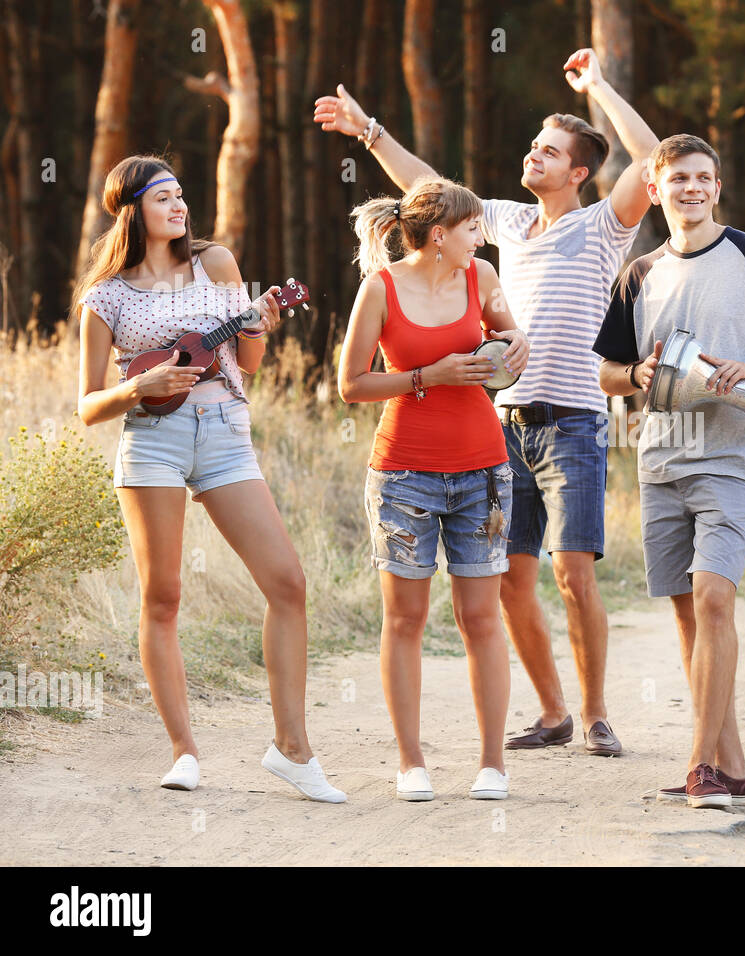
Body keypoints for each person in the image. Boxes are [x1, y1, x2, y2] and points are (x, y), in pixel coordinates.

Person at [316, 49, 658, 756]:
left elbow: (653, 157)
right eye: (534, 145)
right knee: (508, 582)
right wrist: (368, 131)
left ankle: (595, 715)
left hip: (573, 426)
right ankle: (554, 711)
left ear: (579, 173)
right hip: (500, 428)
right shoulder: (500, 223)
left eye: (551, 151)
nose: (534, 157)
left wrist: (598, 87)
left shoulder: (603, 226)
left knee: (573, 575)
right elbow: (431, 192)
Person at [73, 155, 344, 802]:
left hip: (225, 434)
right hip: (153, 444)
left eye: (182, 195)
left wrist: (263, 328)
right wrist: (139, 385)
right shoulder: (106, 296)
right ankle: (184, 751)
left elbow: (244, 361)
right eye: (164, 197)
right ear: (131, 208)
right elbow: (86, 405)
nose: (180, 206)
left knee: (287, 582)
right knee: (162, 597)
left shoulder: (216, 264)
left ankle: (293, 749)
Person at [593, 134, 745, 808]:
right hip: (662, 458)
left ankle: (699, 765)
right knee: (689, 616)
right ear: (658, 187)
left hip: (738, 455)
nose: (691, 190)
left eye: (702, 178)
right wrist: (637, 373)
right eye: (678, 180)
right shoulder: (638, 274)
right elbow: (607, 369)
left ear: (717, 187)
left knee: (715, 598)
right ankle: (733, 767)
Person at [339, 176, 529, 801]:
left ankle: (492, 765)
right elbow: (353, 386)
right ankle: (411, 763)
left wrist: (515, 345)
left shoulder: (484, 279)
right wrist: (428, 375)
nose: (482, 235)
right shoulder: (382, 287)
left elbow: (506, 340)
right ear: (440, 235)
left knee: (480, 619)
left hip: (483, 469)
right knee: (405, 619)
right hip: (402, 474)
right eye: (473, 227)